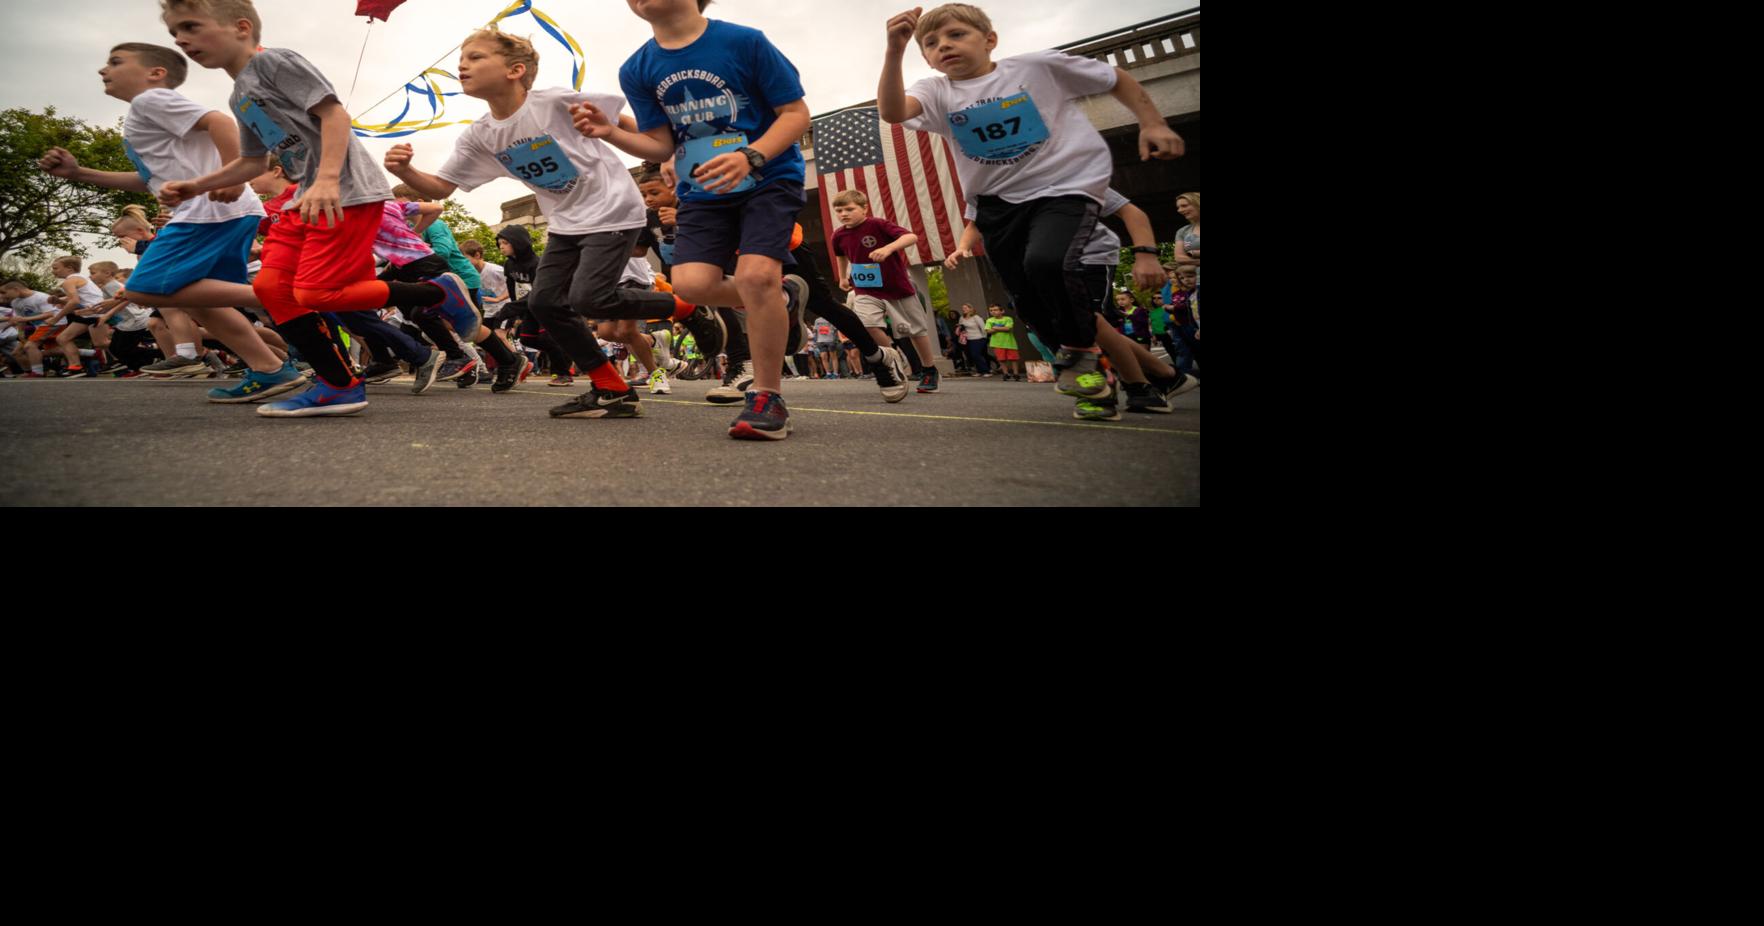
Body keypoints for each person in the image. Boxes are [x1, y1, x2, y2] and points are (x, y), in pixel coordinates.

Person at [155, 0, 481, 417]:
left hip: (345, 191)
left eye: (191, 27)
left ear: (241, 27)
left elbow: (335, 115)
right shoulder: (239, 96)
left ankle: (437, 292)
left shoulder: (273, 62)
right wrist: (197, 186)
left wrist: (327, 178)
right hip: (304, 197)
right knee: (271, 288)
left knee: (315, 292)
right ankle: (339, 385)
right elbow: (253, 162)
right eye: (175, 33)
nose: (181, 40)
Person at [386, 25, 712, 420]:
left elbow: (623, 122)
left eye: (475, 57)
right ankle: (611, 388)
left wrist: (665, 154)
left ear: (515, 70)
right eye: (461, 60)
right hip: (565, 222)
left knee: (589, 297)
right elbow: (440, 187)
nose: (463, 66)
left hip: (611, 206)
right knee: (544, 302)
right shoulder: (480, 136)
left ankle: (685, 307)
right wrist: (407, 170)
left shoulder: (554, 102)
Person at [878, 3, 1183, 412]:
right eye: (931, 43)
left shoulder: (1034, 69)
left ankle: (1091, 364)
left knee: (1046, 262)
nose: (944, 46)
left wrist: (1153, 122)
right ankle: (1114, 378)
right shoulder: (936, 92)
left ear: (990, 40)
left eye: (957, 34)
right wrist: (894, 50)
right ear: (926, 58)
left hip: (1061, 190)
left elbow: (1115, 77)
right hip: (997, 206)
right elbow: (893, 111)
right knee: (1029, 302)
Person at [579, 0, 814, 439]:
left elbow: (796, 114)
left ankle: (767, 396)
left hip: (768, 177)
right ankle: (779, 299)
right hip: (702, 190)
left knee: (756, 275)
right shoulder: (637, 67)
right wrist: (610, 132)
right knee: (690, 286)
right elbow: (660, 145)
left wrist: (751, 155)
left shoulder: (744, 42)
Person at [37, 39, 309, 403]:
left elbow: (219, 121)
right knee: (195, 298)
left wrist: (234, 174)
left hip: (209, 211)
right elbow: (148, 180)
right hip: (222, 211)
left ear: (156, 73)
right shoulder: (144, 117)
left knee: (143, 288)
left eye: (116, 62)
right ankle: (270, 369)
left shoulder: (151, 100)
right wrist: (79, 173)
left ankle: (288, 293)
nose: (104, 69)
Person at [829, 189, 942, 393]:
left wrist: (888, 248)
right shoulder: (838, 235)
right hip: (865, 288)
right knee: (867, 324)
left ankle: (929, 369)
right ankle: (892, 357)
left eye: (849, 209)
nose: (843, 214)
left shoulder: (877, 225)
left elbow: (911, 237)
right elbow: (841, 256)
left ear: (864, 208)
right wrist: (843, 276)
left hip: (896, 287)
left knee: (915, 330)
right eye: (839, 210)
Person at [984, 304, 1021, 380]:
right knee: (1001, 359)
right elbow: (988, 331)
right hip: (997, 343)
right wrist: (1002, 328)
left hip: (1010, 342)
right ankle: (1005, 373)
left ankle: (1016, 373)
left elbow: (1008, 329)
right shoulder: (989, 320)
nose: (993, 312)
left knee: (1013, 359)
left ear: (1002, 311)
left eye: (995, 310)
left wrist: (995, 328)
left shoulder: (1008, 319)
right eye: (991, 310)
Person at [955, 303, 990, 375]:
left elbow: (983, 328)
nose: (963, 309)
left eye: (965, 308)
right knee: (971, 356)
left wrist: (984, 338)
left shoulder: (976, 317)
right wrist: (959, 328)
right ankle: (979, 371)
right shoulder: (962, 318)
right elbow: (960, 326)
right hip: (967, 339)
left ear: (970, 309)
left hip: (978, 338)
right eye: (963, 308)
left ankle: (986, 371)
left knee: (976, 354)